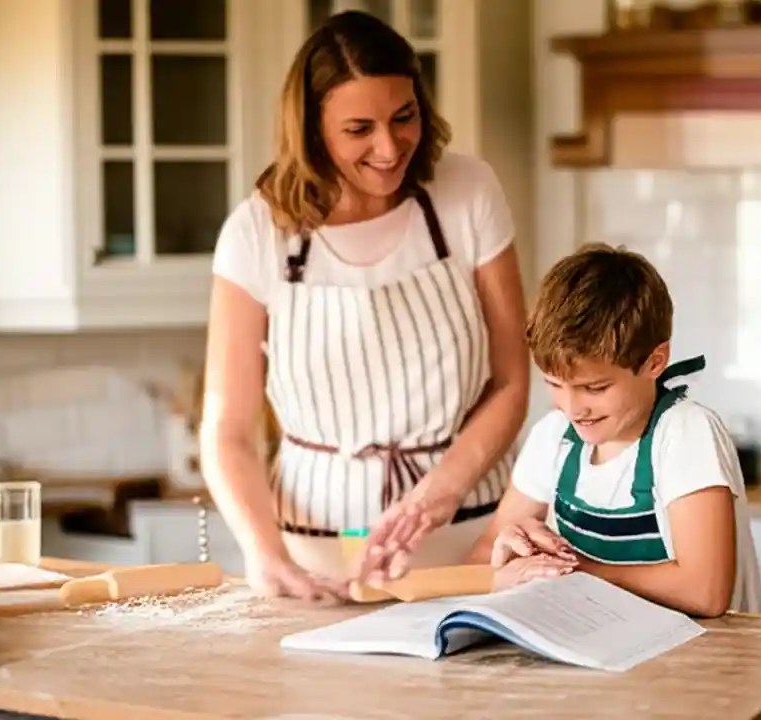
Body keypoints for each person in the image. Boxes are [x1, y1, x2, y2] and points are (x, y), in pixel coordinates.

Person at [200, 11, 529, 600]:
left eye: (404, 117)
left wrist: (438, 492)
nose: (389, 146)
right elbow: (228, 430)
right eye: (359, 129)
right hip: (316, 554)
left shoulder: (467, 193)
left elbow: (511, 381)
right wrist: (263, 552)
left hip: (470, 534)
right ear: (312, 128)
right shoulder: (257, 234)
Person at [469, 244, 761, 617]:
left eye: (595, 388)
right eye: (555, 384)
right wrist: (510, 564)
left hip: (700, 664)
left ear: (655, 361)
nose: (573, 408)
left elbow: (704, 591)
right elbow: (482, 555)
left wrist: (568, 570)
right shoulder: (553, 436)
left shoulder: (684, 433)